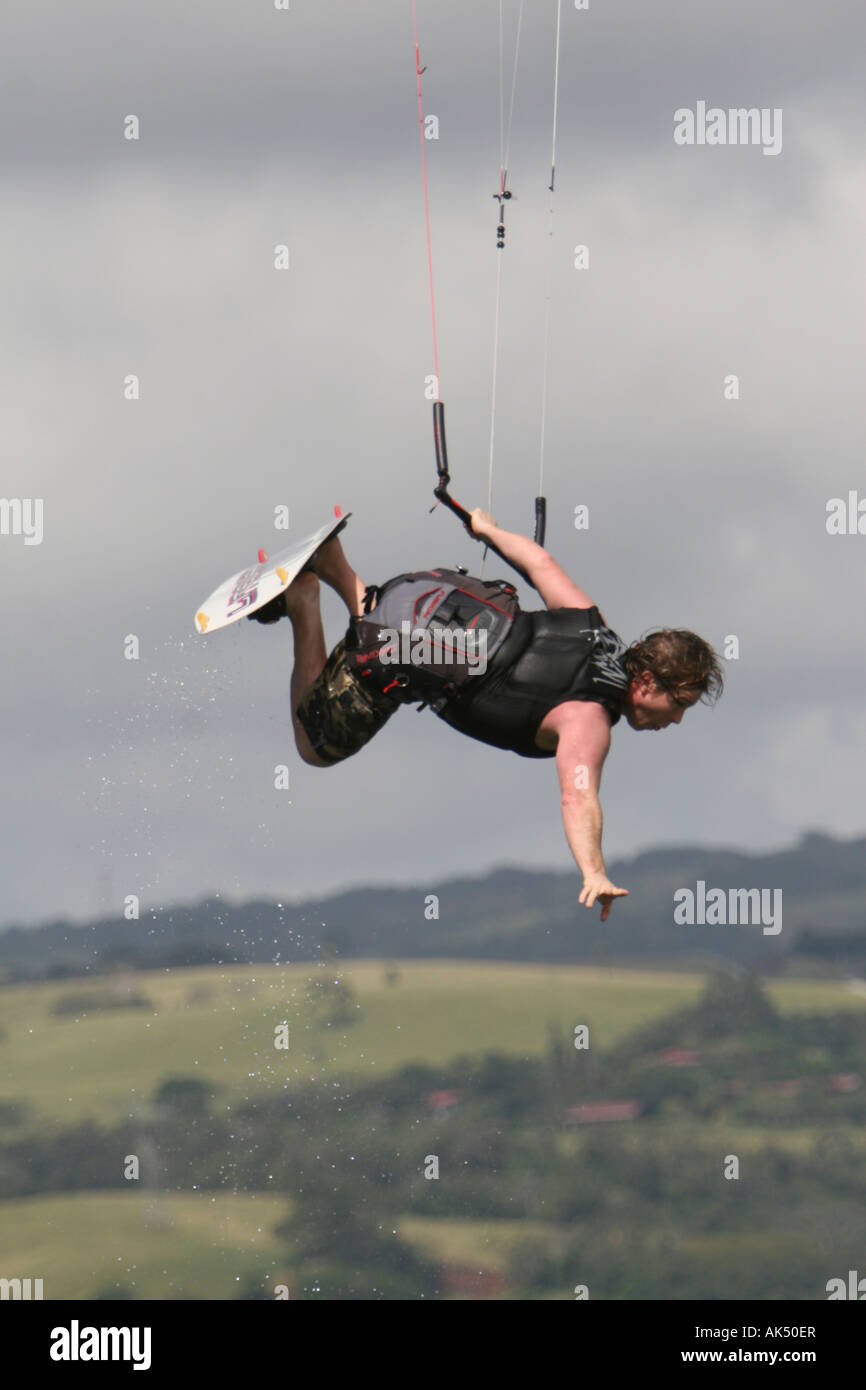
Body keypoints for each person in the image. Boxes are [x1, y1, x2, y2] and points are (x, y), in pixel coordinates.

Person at [253, 509, 724, 922]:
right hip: (399, 648)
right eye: (678, 704)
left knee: (421, 647)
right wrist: (594, 870)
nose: (677, 720)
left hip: (423, 595)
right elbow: (578, 799)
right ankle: (304, 602)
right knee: (314, 745)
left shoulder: (592, 624)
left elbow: (539, 564)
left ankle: (335, 561)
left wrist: (487, 531)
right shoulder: (590, 719)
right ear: (646, 683)